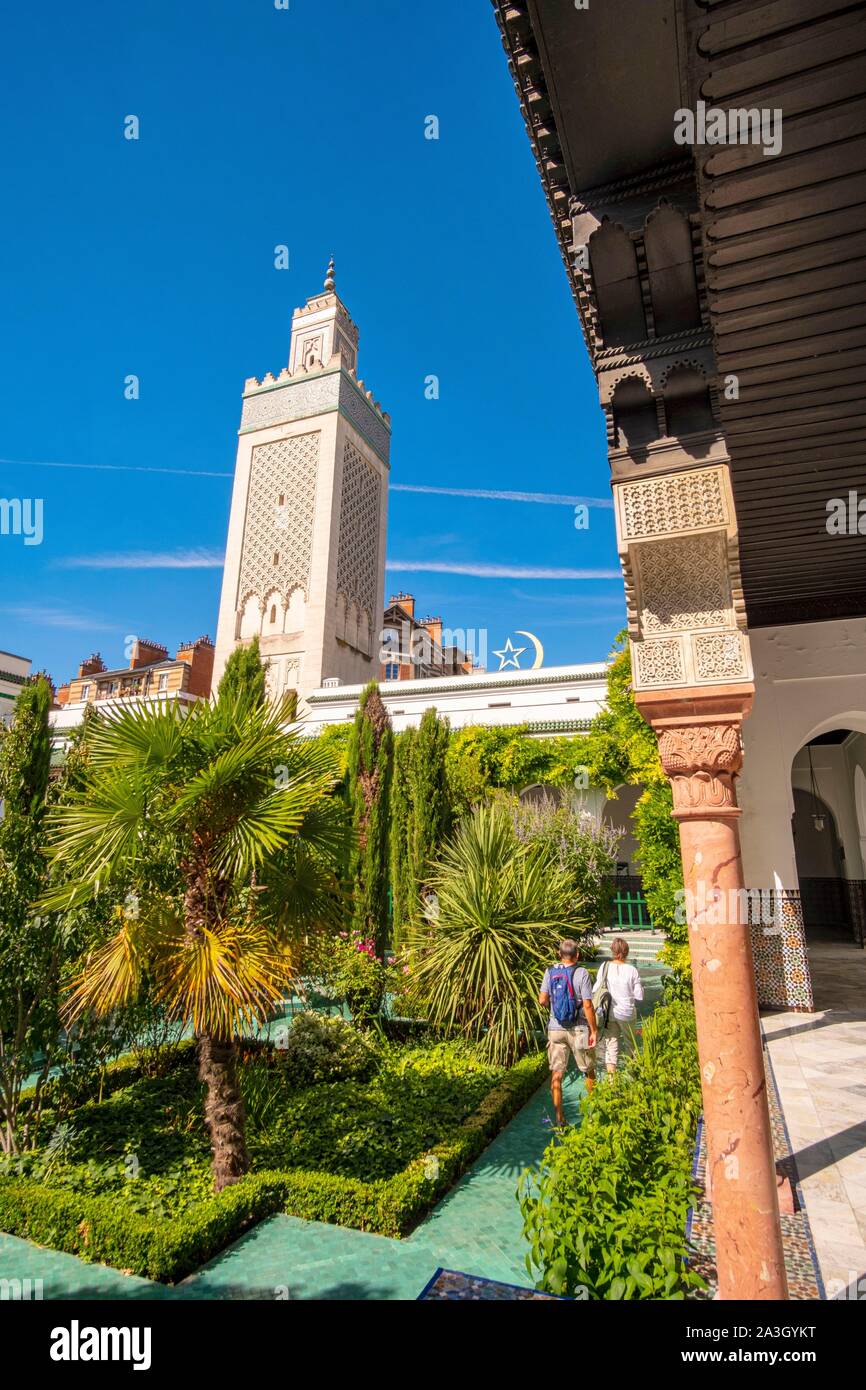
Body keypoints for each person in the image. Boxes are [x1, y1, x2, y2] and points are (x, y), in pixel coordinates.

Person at [539, 939, 597, 1126]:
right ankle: (594, 1111)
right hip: (578, 1028)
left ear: (559, 954)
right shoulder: (582, 973)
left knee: (557, 1073)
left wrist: (555, 1007)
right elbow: (587, 1004)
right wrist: (593, 1030)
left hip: (556, 1028)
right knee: (588, 1070)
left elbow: (542, 1000)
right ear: (577, 955)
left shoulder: (550, 971)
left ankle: (559, 1118)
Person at [599, 937, 644, 1076]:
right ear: (627, 952)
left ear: (612, 950)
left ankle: (612, 1082)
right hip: (627, 1012)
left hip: (610, 1012)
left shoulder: (604, 967)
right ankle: (632, 1074)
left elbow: (597, 989)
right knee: (630, 1043)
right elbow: (639, 996)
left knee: (611, 1044)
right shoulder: (632, 970)